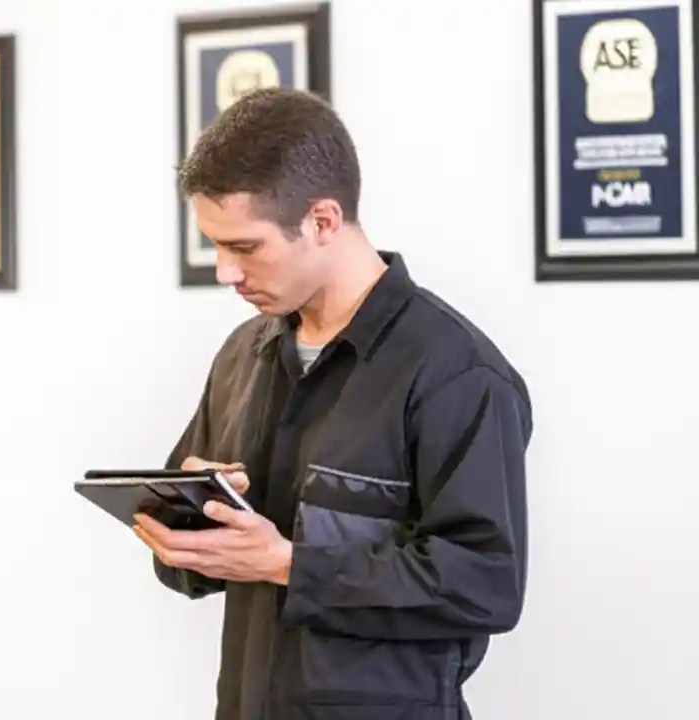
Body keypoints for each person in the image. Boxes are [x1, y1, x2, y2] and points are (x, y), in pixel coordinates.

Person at [131, 87, 533, 720]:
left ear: (322, 221)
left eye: (244, 247)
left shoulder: (456, 373)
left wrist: (290, 564)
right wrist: (189, 533)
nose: (223, 273)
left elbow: (485, 586)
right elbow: (193, 568)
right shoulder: (243, 355)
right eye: (214, 245)